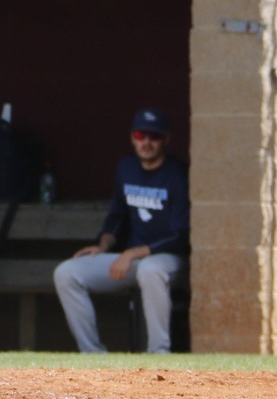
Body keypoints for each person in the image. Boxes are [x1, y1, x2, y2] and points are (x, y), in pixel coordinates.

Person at [54, 109, 191, 354]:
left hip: (168, 260)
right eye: (140, 135)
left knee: (151, 270)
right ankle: (92, 354)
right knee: (67, 273)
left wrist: (133, 253)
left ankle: (159, 353)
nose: (146, 142)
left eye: (154, 136)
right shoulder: (126, 168)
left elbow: (181, 235)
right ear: (132, 137)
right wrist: (103, 246)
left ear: (166, 140)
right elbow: (116, 215)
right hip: (132, 260)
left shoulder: (177, 174)